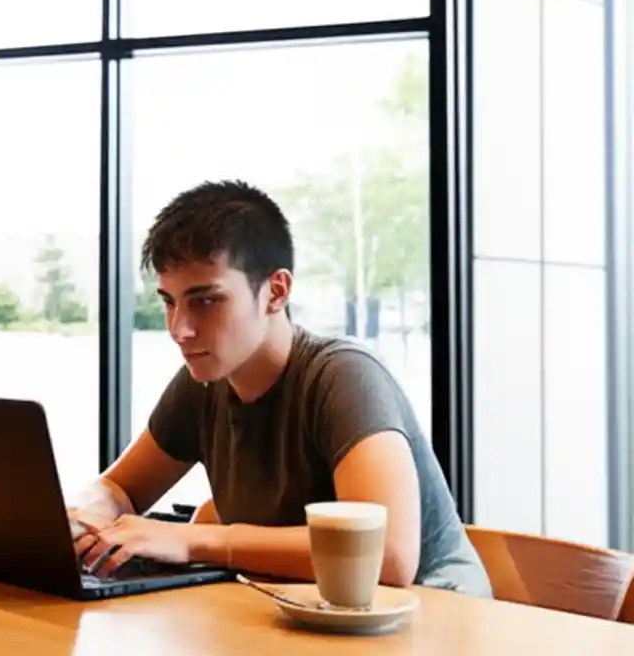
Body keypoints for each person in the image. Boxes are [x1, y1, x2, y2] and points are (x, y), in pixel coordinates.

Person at [70, 180, 490, 596]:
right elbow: (121, 488)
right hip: (306, 616)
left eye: (206, 300)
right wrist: (83, 516)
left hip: (433, 616)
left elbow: (387, 555)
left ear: (276, 291)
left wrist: (194, 541)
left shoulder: (343, 376)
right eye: (169, 301)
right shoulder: (205, 382)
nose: (180, 329)